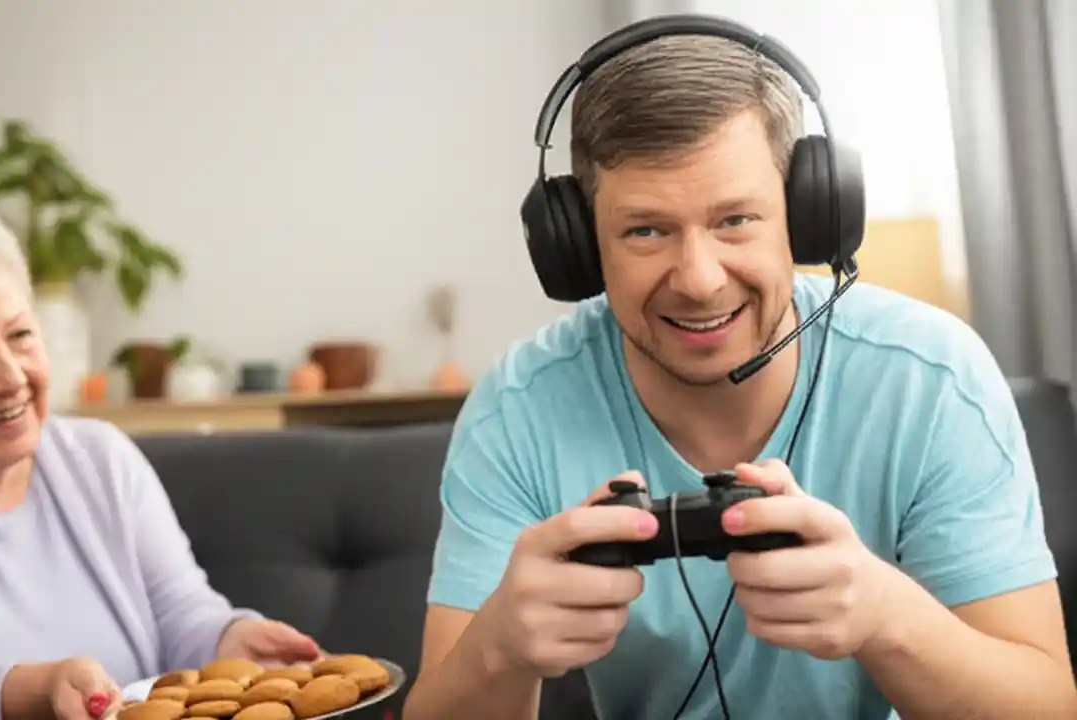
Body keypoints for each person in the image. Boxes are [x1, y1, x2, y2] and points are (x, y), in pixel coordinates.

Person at [404, 16, 1076, 720]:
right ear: (578, 247)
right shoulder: (518, 407)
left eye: (735, 221)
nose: (699, 280)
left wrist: (886, 615)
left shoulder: (930, 379)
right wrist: (500, 649)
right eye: (645, 230)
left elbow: (1047, 709)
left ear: (807, 216)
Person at [0, 205, 323, 720]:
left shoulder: (101, 460)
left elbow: (181, 614)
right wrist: (33, 691)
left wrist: (231, 639)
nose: (12, 377)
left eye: (20, 336)